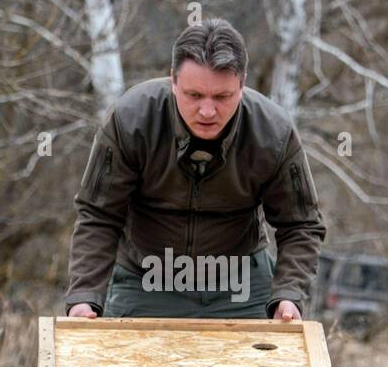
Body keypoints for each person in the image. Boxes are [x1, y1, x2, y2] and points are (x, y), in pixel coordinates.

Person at [64, 18, 326, 321]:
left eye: (222, 97)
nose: (207, 111)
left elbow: (301, 224)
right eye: (194, 95)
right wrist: (84, 297)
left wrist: (289, 294)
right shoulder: (131, 120)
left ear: (242, 84)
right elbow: (98, 213)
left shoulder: (274, 133)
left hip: (240, 280)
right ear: (173, 80)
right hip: (146, 276)